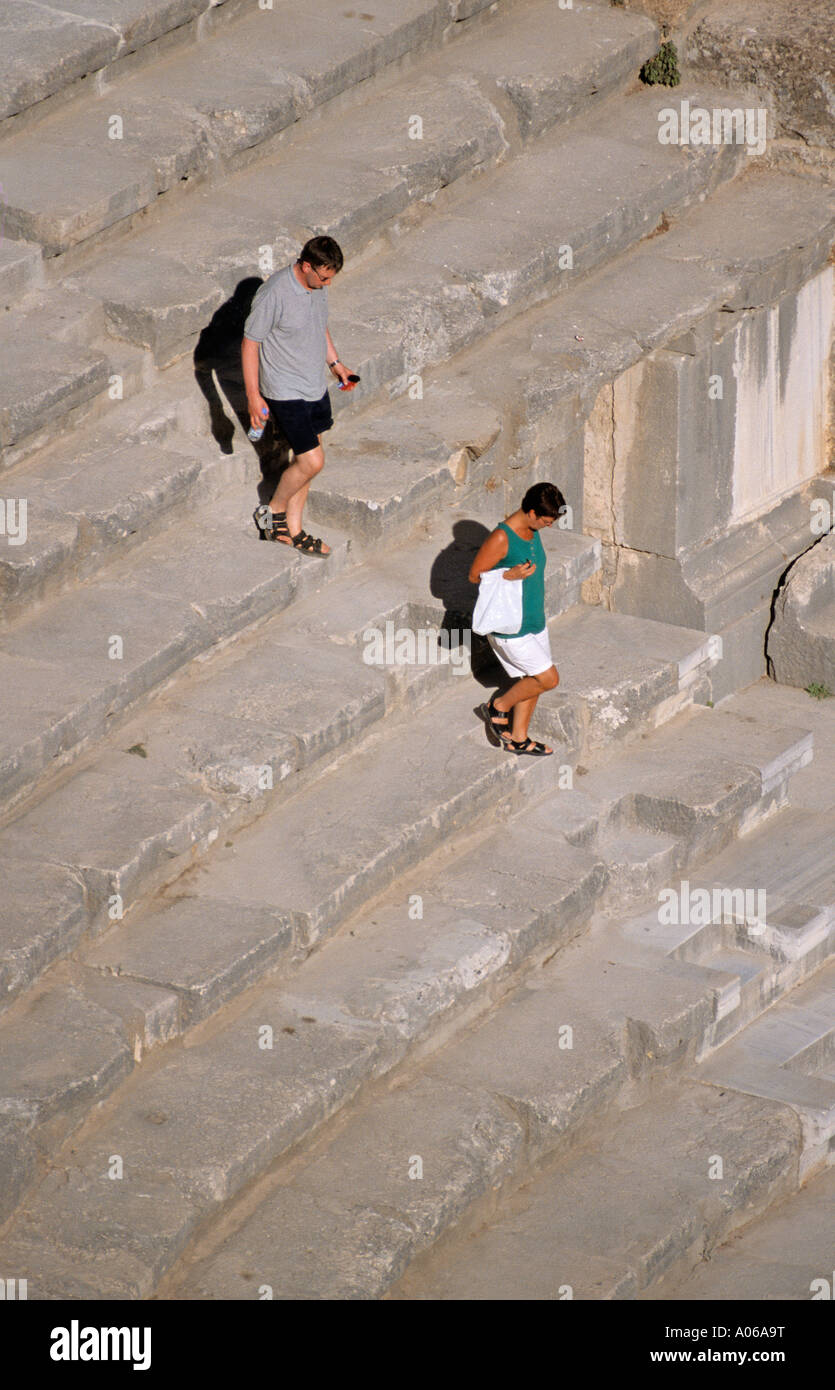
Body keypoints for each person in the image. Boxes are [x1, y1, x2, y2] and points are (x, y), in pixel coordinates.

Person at [242, 235, 357, 556]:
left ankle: (293, 529)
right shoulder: (274, 293)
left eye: (331, 277)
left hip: (313, 385)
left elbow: (319, 325)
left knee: (304, 462)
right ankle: (273, 511)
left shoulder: (317, 287)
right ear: (306, 265)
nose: (327, 284)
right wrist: (254, 396)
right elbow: (250, 343)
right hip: (284, 389)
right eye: (323, 277)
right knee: (312, 460)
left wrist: (335, 363)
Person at [468, 482, 566, 756]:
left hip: (534, 620)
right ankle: (497, 706)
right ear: (532, 512)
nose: (549, 526)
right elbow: (475, 575)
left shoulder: (532, 530)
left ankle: (519, 739)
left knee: (532, 677)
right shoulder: (501, 537)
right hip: (511, 627)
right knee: (548, 678)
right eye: (547, 521)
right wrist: (507, 575)